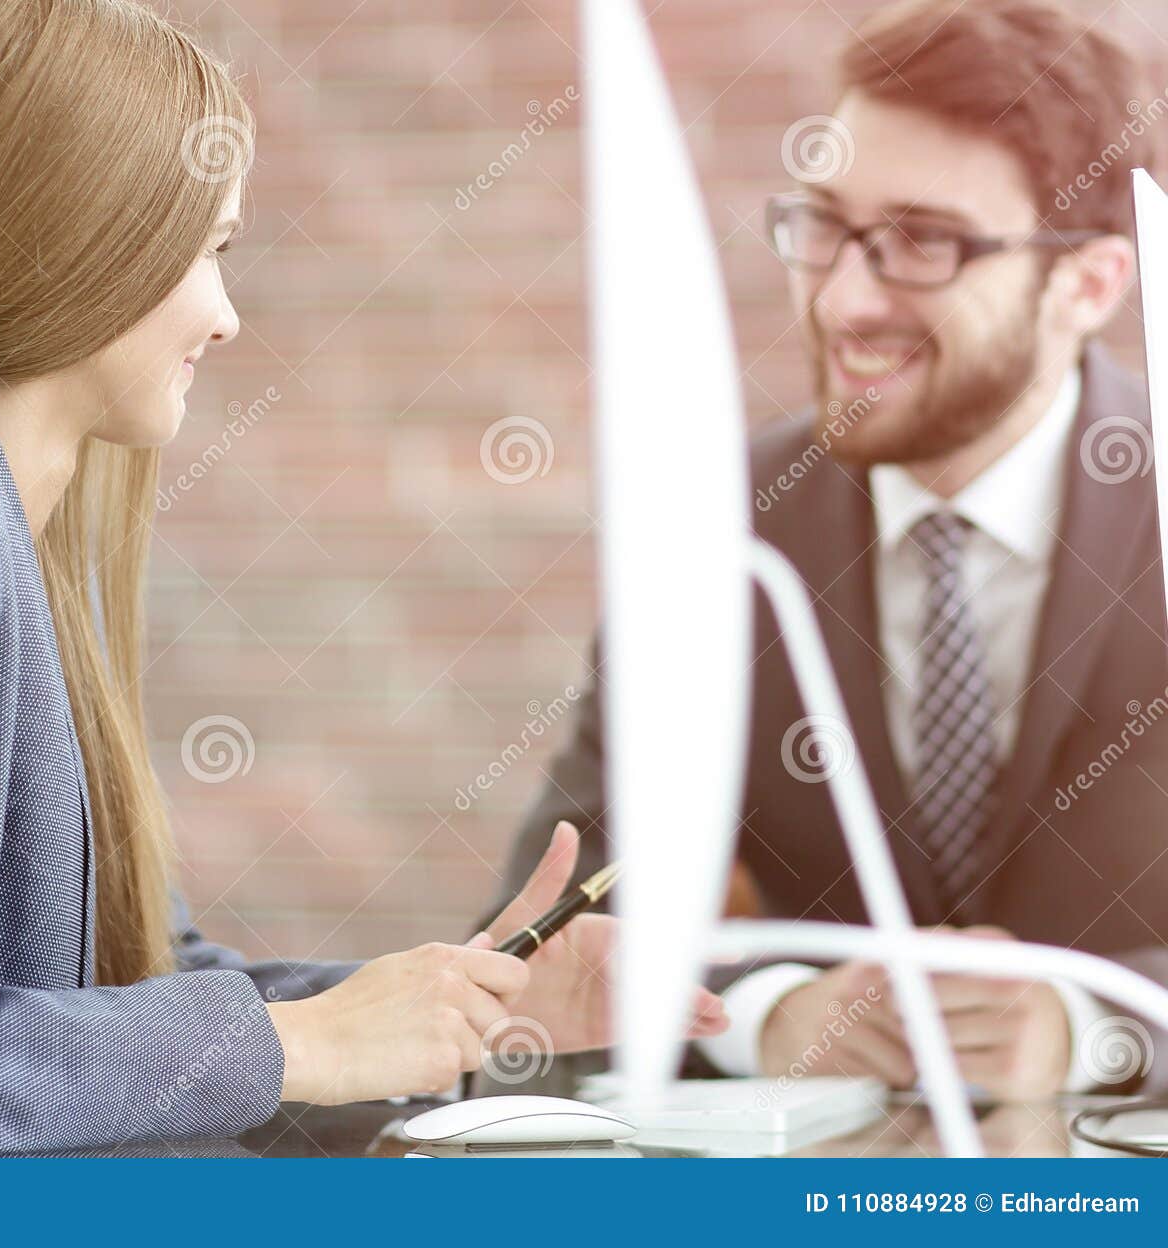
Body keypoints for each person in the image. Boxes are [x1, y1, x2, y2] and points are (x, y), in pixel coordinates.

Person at [0, 0, 724, 1158]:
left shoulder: (7, 528)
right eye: (209, 250)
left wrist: (467, 1011)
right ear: (80, 232)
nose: (222, 320)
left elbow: (132, 987)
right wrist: (313, 1042)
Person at [490, 0, 1168, 1100]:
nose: (845, 300)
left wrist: (1099, 1030)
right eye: (826, 227)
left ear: (1086, 285)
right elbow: (536, 937)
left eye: (924, 242)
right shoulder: (716, 526)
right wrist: (759, 1013)